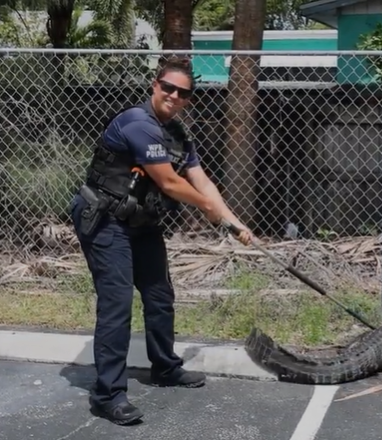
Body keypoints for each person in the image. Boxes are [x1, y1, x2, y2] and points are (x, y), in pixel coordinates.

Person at [68, 56, 253, 426]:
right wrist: (207, 209)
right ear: (155, 86)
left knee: (159, 296)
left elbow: (202, 182)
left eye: (182, 92)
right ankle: (109, 395)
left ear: (188, 99)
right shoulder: (138, 124)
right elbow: (170, 183)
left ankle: (165, 368)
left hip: (141, 223)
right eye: (167, 87)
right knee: (117, 305)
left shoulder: (178, 136)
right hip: (106, 221)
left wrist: (233, 222)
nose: (173, 95)